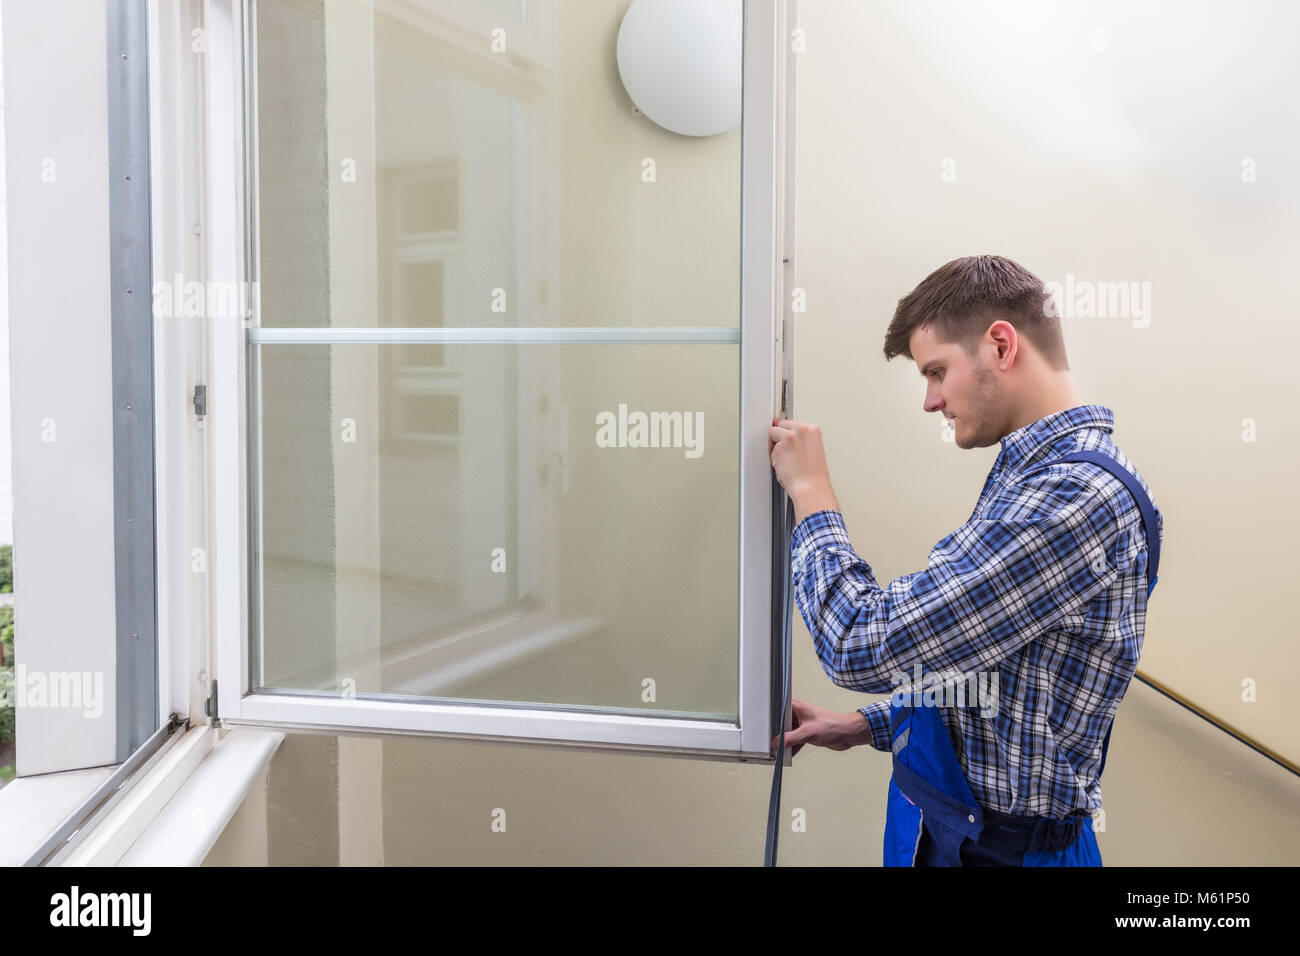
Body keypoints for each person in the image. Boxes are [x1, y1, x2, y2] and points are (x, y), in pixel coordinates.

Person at [767, 254, 1163, 866]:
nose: (931, 400)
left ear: (1001, 345)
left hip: (1001, 854)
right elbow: (1006, 670)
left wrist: (813, 498)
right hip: (952, 829)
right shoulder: (1031, 474)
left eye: (936, 371)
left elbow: (857, 641)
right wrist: (871, 724)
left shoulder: (1073, 499)